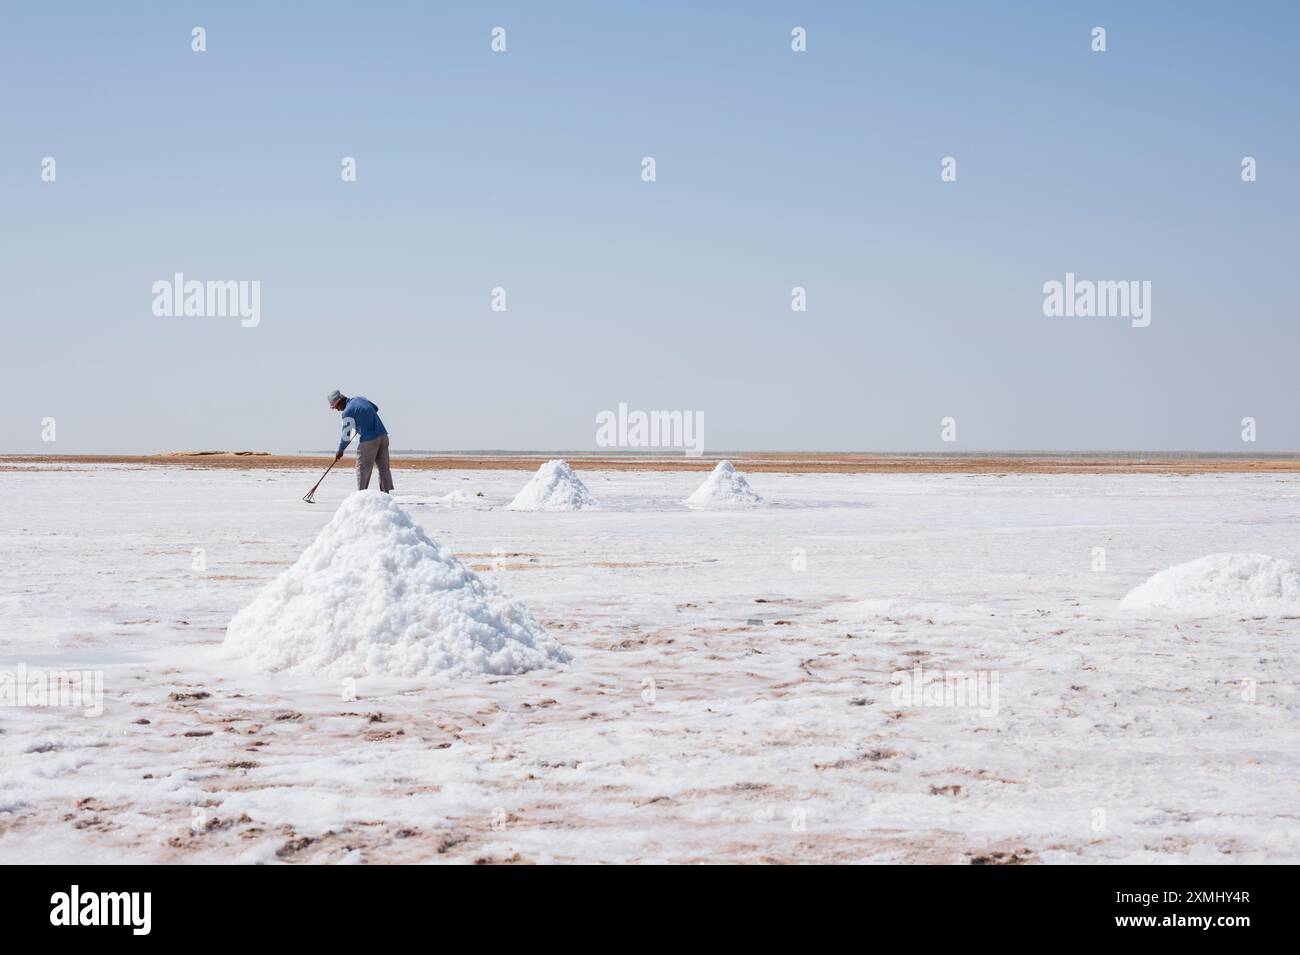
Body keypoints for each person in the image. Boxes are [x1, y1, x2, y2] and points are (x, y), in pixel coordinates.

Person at [328, 390, 393, 492]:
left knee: (362, 469)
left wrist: (340, 450)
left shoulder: (347, 412)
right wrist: (362, 421)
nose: (337, 409)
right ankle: (386, 494)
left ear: (340, 401)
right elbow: (375, 408)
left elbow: (347, 435)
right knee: (383, 468)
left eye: (336, 407)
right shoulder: (360, 398)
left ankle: (361, 496)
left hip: (369, 439)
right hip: (383, 435)